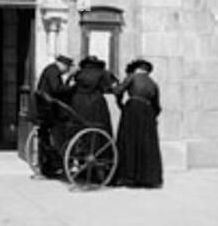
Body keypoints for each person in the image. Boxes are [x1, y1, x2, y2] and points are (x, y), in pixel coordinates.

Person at [112, 59, 164, 188]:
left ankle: (127, 176)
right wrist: (151, 117)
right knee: (146, 145)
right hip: (147, 112)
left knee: (128, 142)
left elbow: (118, 91)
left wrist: (120, 104)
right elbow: (157, 106)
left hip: (132, 110)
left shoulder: (132, 77)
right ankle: (147, 177)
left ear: (136, 69)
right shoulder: (153, 83)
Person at [34, 54, 74, 178]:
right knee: (54, 136)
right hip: (48, 111)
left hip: (44, 109)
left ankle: (48, 166)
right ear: (63, 65)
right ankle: (52, 164)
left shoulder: (50, 69)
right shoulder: (53, 71)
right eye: (67, 68)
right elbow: (56, 89)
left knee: (45, 139)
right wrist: (71, 88)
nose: (66, 71)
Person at [69, 55, 118, 134]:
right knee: (99, 125)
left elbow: (73, 84)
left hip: (78, 101)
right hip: (95, 102)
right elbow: (108, 87)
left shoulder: (79, 72)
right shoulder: (102, 72)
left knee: (79, 125)